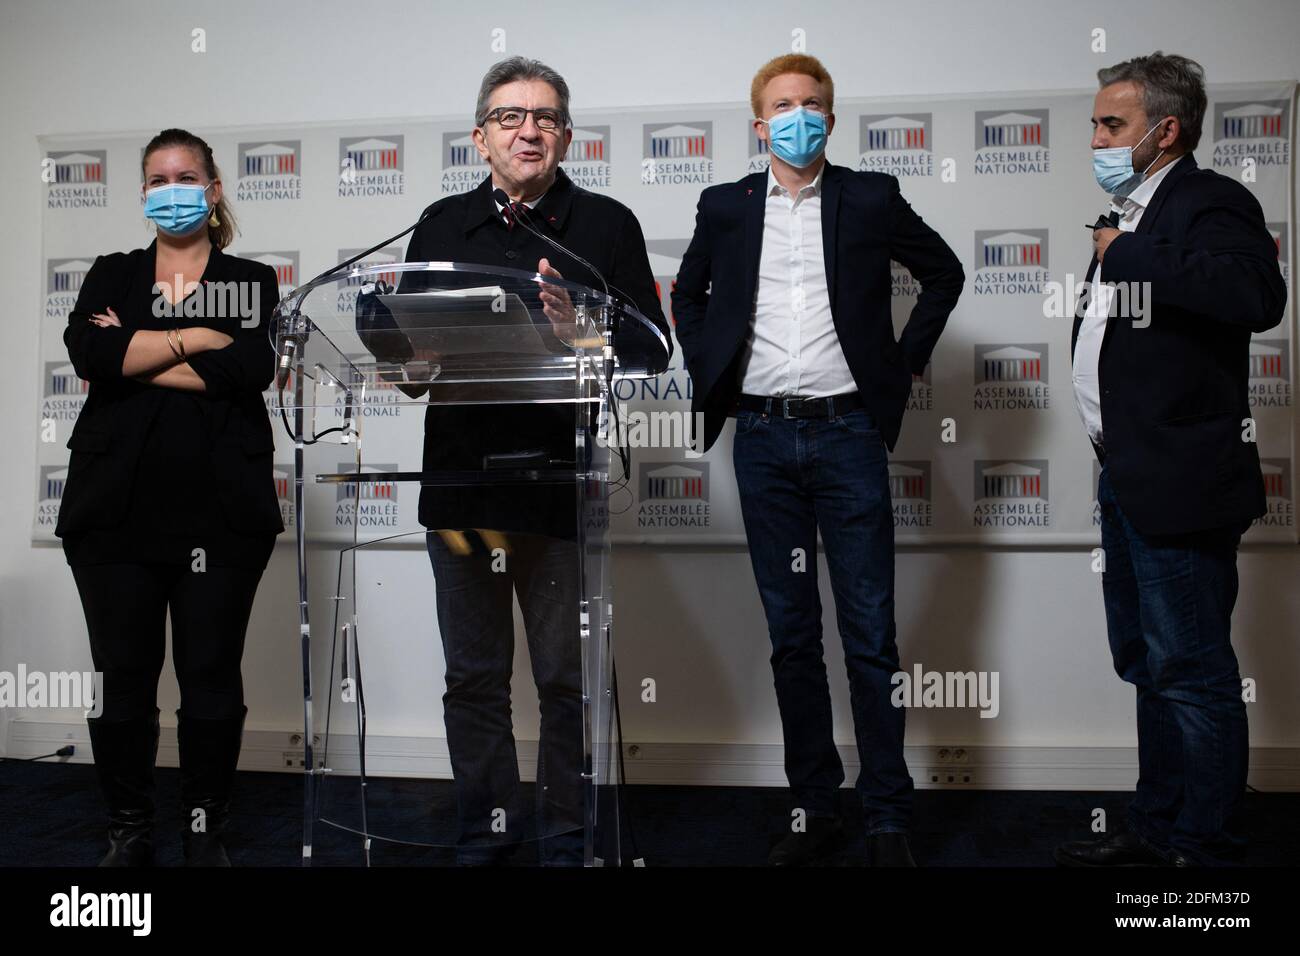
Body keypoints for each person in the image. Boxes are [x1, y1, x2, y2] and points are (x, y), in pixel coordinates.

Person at [672, 54, 964, 866]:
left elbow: (944, 271)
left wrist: (904, 358)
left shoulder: (870, 196)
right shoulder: (725, 206)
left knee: (870, 633)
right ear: (758, 124)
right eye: (781, 106)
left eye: (811, 105)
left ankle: (887, 815)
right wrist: (707, 364)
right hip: (762, 438)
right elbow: (686, 294)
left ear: (830, 120)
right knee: (792, 634)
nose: (796, 117)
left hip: (848, 436)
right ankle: (812, 809)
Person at [375, 56, 668, 865]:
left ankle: (570, 834)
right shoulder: (439, 223)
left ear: (566, 136)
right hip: (462, 488)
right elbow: (408, 363)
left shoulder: (607, 224)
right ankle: (488, 834)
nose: (527, 129)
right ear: (480, 136)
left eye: (543, 117)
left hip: (558, 488)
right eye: (509, 117)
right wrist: (410, 362)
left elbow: (652, 348)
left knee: (565, 681)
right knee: (473, 679)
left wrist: (585, 329)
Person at [1055, 53, 1285, 868]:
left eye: (1111, 124)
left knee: (1192, 669)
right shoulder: (1132, 209)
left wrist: (1127, 253)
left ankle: (1206, 844)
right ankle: (1158, 826)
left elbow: (1257, 298)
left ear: (1167, 129)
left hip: (1183, 485)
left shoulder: (1210, 201)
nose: (1097, 137)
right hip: (1127, 477)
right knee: (1150, 664)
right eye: (1096, 123)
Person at [56, 128, 284, 866]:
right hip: (114, 511)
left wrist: (143, 348)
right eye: (158, 178)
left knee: (210, 675)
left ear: (214, 189)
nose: (172, 188)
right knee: (123, 677)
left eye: (186, 175)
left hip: (220, 512)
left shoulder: (249, 279)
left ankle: (202, 826)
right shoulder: (112, 273)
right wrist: (198, 337)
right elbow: (93, 354)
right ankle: (128, 828)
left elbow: (248, 369)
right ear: (143, 194)